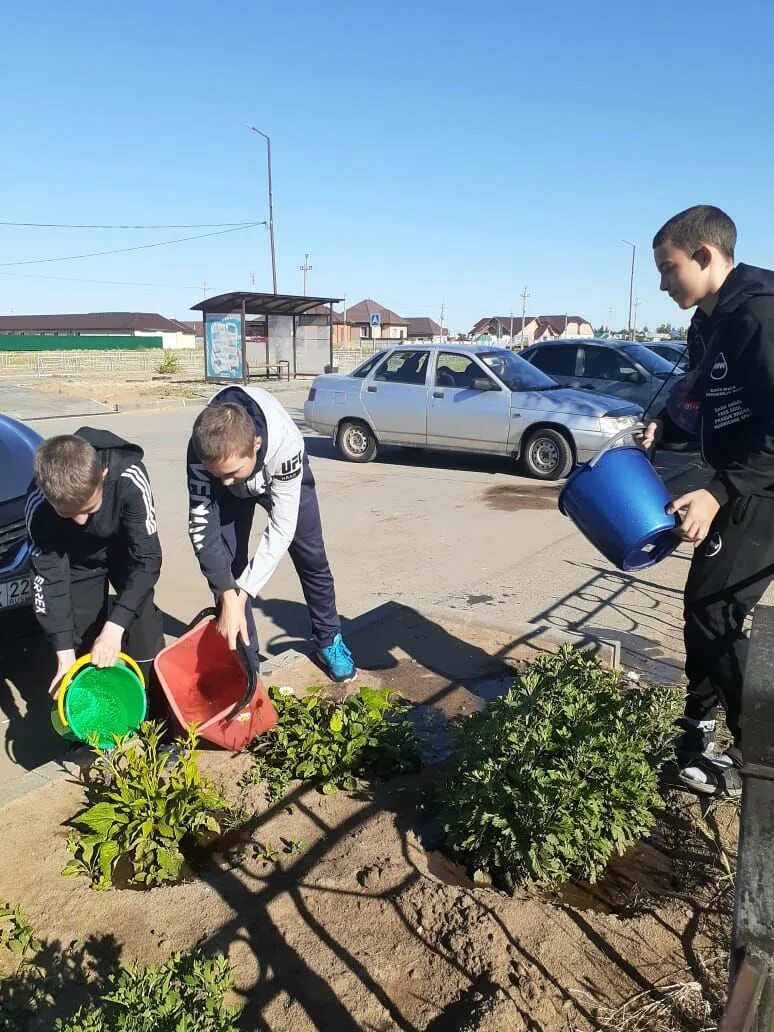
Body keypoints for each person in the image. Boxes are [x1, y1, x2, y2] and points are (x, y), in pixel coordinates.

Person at [642, 204, 774, 797]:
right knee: (706, 608)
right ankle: (697, 734)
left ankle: (762, 752)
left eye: (669, 269)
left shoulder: (761, 316)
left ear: (704, 255)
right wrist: (668, 431)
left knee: (712, 608)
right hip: (737, 479)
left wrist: (717, 491)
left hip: (762, 487)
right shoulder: (707, 322)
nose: (664, 283)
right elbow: (707, 401)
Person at [186, 384, 356, 683]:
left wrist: (244, 593)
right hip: (234, 471)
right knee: (226, 573)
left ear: (256, 444)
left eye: (232, 473)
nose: (225, 483)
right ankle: (248, 668)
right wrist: (228, 594)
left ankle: (329, 639)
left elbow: (281, 528)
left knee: (311, 557)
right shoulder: (202, 452)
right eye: (218, 475)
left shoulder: (284, 442)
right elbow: (202, 528)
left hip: (276, 476)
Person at [25, 430, 164, 707]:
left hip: (126, 549)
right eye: (67, 513)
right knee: (82, 637)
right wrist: (64, 653)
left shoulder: (128, 475)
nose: (80, 521)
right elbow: (47, 579)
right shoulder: (39, 505)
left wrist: (115, 627)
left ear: (102, 474)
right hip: (77, 559)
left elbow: (148, 558)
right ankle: (90, 724)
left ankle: (159, 717)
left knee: (142, 627)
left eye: (89, 508)